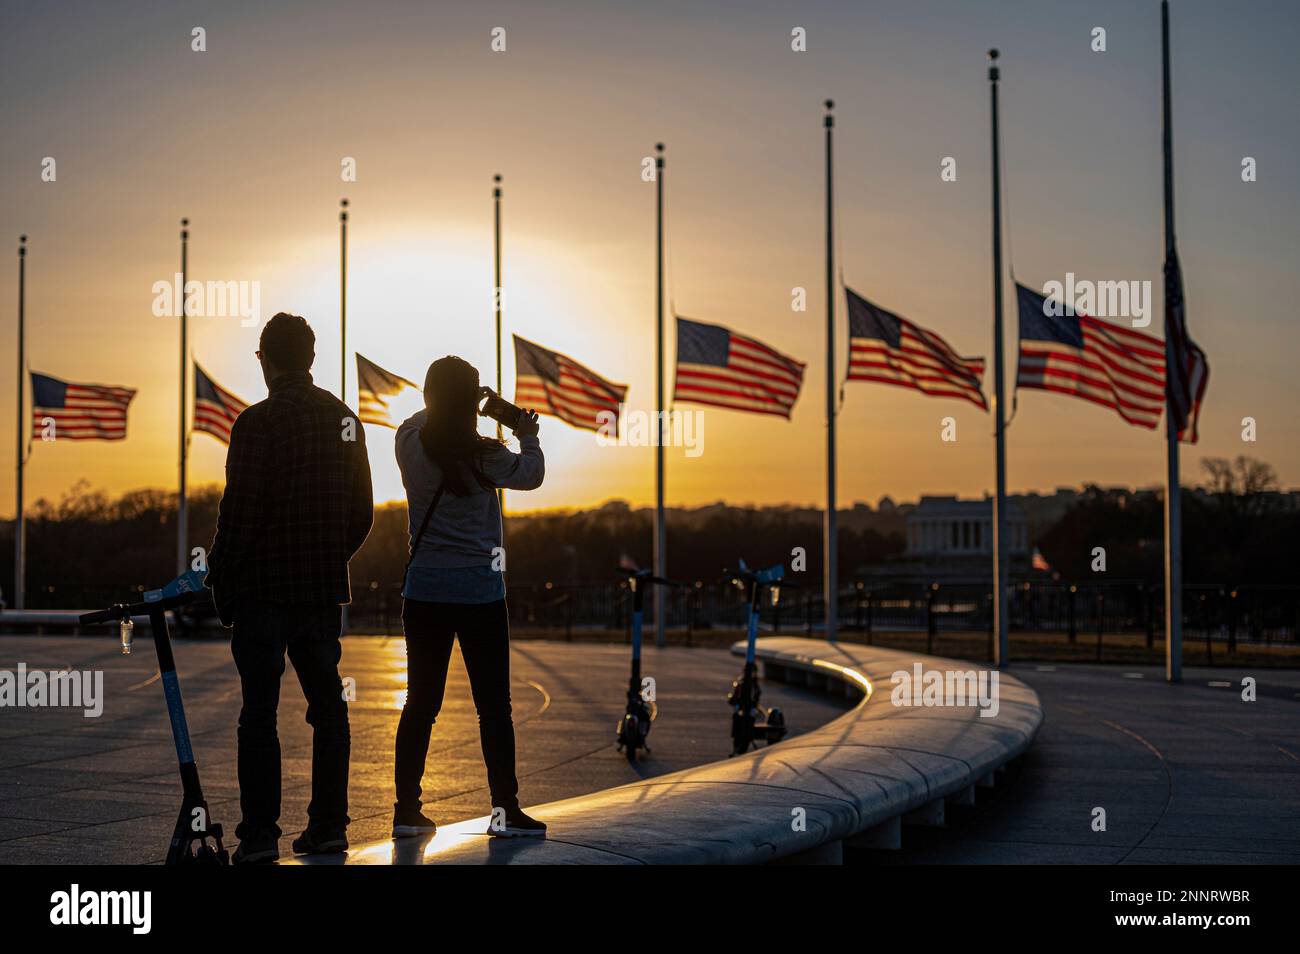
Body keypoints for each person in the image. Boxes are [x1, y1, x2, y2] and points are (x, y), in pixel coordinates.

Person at [206, 312, 374, 864]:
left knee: (259, 711)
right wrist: (327, 558)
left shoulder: (256, 423)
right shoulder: (346, 420)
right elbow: (361, 514)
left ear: (266, 360)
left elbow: (239, 517)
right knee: (328, 709)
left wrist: (222, 584)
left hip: (263, 591)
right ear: (310, 357)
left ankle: (259, 837)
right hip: (320, 592)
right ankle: (328, 827)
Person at [392, 355, 547, 839]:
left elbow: (418, 416)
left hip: (425, 593)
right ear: (470, 401)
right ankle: (505, 809)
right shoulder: (486, 455)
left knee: (420, 703)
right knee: (493, 706)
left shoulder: (409, 443)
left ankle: (407, 812)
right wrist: (524, 431)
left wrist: (455, 401)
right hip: (480, 593)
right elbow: (532, 474)